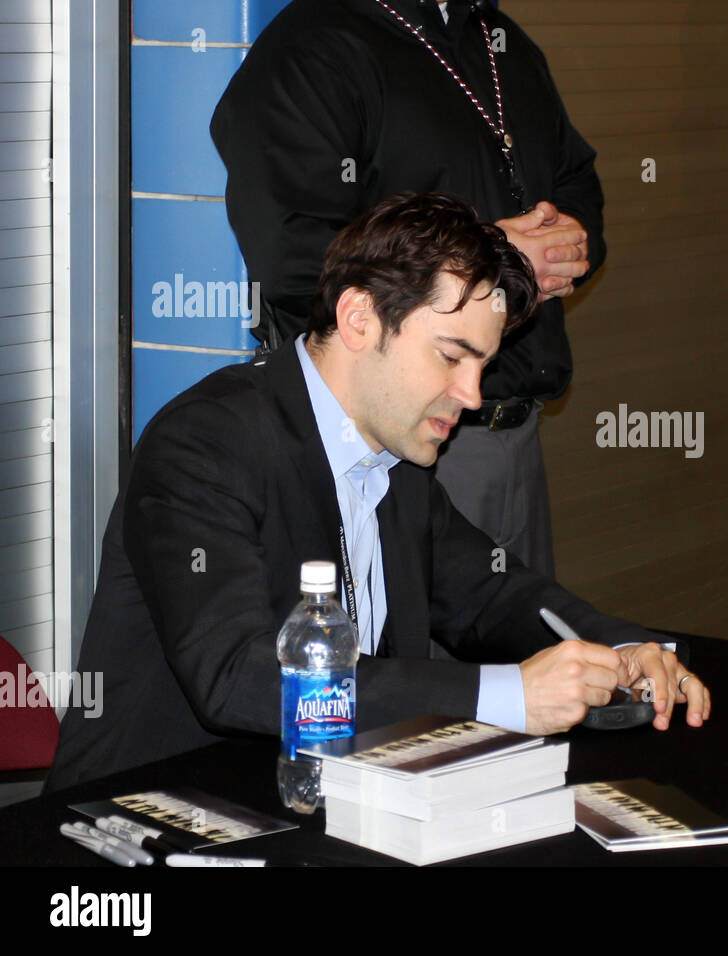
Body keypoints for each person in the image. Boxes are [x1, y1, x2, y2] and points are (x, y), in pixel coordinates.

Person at [45, 193, 707, 792]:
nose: (473, 397)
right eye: (452, 357)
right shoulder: (206, 442)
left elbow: (493, 593)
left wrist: (624, 652)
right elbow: (234, 677)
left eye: (484, 365)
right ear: (360, 318)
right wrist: (506, 695)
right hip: (144, 816)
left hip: (324, 802)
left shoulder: (395, 451)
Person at [210, 0, 605, 578]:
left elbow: (574, 179)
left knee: (522, 652)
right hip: (390, 444)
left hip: (515, 435)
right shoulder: (314, 44)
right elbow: (294, 256)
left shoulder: (498, 40)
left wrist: (568, 240)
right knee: (410, 664)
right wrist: (492, 256)